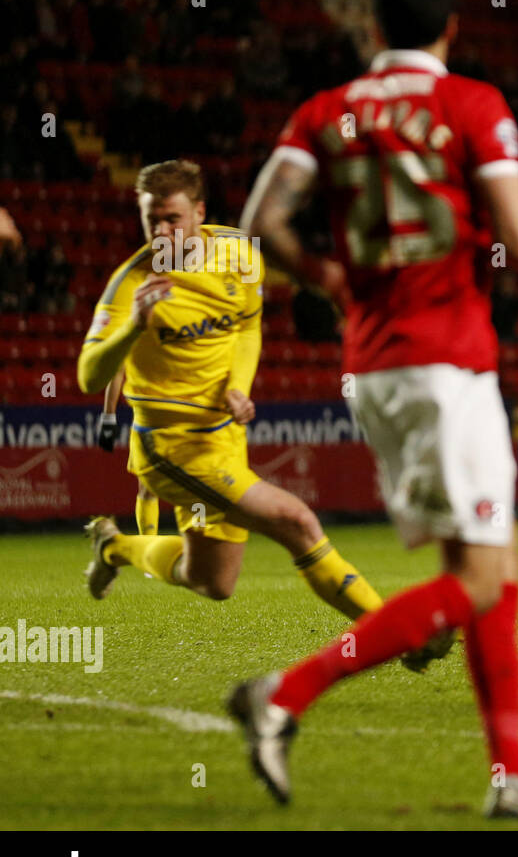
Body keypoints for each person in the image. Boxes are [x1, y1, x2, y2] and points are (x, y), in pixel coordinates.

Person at [231, 0, 518, 819]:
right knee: (481, 581)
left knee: (486, 568)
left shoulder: (327, 110)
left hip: (376, 364)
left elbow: (257, 222)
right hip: (447, 364)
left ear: (373, 27)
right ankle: (284, 694)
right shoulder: (471, 103)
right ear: (451, 27)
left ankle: (512, 780)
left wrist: (326, 272)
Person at [77, 161, 401, 647]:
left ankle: (116, 547)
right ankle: (398, 634)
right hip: (172, 446)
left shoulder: (239, 254)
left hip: (225, 436)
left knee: (213, 582)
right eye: (152, 221)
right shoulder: (130, 284)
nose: (161, 233)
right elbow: (88, 375)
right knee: (296, 521)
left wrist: (238, 385)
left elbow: (248, 323)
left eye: (172, 219)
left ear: (199, 213)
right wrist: (131, 326)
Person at [97, 368, 162, 537]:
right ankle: (147, 548)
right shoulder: (136, 341)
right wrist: (109, 417)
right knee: (147, 486)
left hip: (188, 409)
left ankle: (200, 550)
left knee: (193, 488)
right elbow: (117, 368)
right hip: (148, 414)